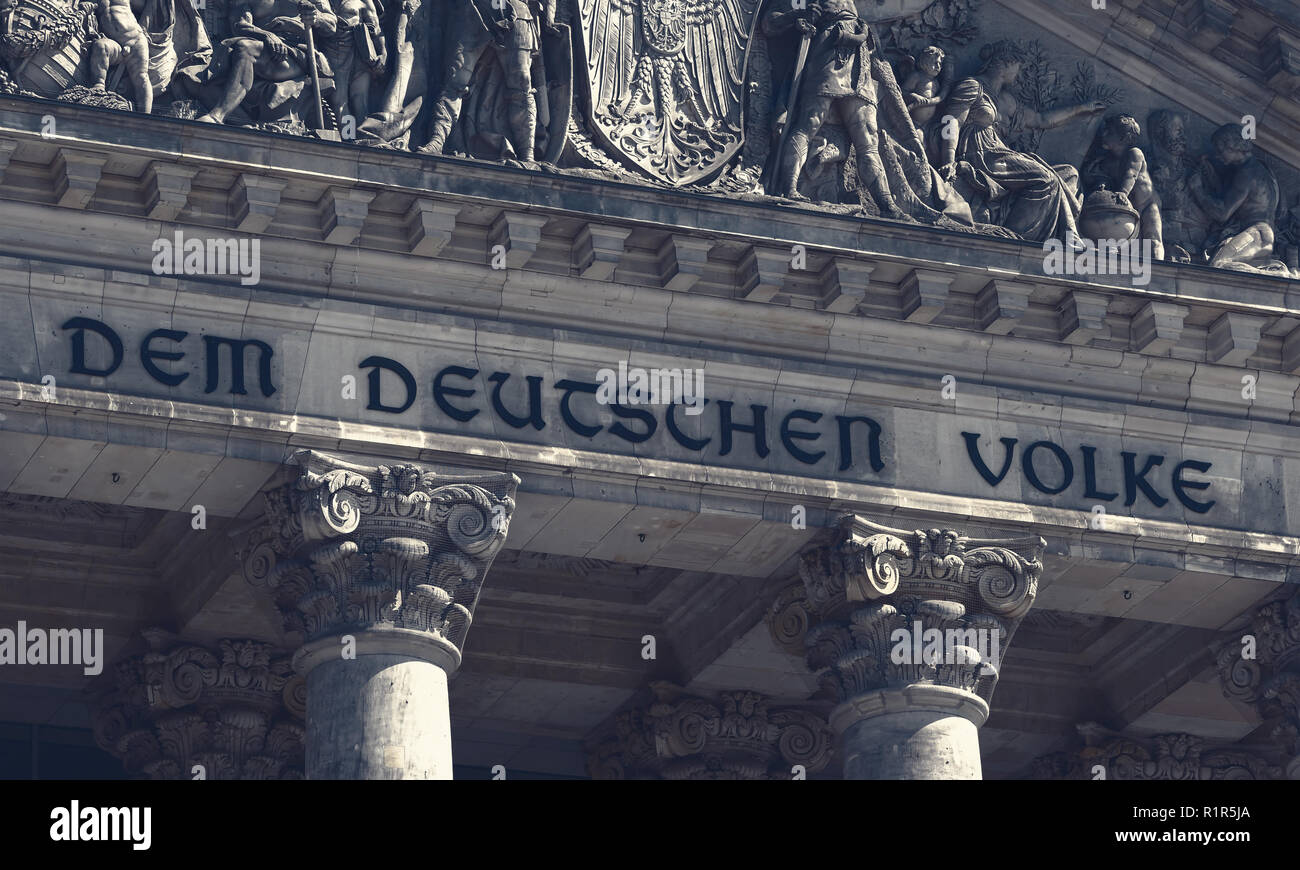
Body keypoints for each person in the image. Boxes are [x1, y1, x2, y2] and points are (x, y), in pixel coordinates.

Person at [937, 40, 1106, 242]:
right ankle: (1013, 237)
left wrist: (1081, 109)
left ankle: (1064, 233)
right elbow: (951, 122)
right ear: (1007, 62)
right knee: (1046, 179)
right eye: (1018, 66)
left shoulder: (1007, 100)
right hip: (980, 154)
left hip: (999, 153)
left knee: (1066, 174)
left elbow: (1041, 120)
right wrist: (948, 159)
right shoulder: (972, 86)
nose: (1019, 72)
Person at [766, 0, 903, 217]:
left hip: (860, 52)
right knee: (810, 122)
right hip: (829, 44)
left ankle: (887, 205)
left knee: (868, 137)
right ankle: (789, 189)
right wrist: (798, 17)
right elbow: (770, 23)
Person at [419, 0, 555, 163]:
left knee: (521, 85)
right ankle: (437, 141)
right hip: (474, 9)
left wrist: (549, 10)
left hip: (518, 13)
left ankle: (527, 155)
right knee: (455, 80)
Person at [194, 0, 337, 126]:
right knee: (245, 47)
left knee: (246, 48)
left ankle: (218, 115)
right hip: (263, 47)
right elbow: (239, 24)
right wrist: (267, 35)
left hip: (298, 54)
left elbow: (331, 25)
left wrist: (316, 17)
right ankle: (223, 115)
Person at [1188, 124, 1280, 269]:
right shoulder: (1260, 168)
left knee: (1219, 265)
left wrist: (1197, 189)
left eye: (1220, 150)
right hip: (1260, 233)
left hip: (1257, 235)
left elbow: (1222, 213)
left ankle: (1278, 275)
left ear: (1234, 146)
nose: (1217, 155)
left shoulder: (1246, 174)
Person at [1080, 113, 1163, 258]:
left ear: (1124, 138)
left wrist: (1123, 192)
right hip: (1127, 211)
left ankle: (1161, 271)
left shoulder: (1134, 153)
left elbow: (1131, 174)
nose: (1103, 134)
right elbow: (1102, 179)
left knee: (1153, 240)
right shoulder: (1107, 161)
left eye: (1109, 131)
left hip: (1147, 206)